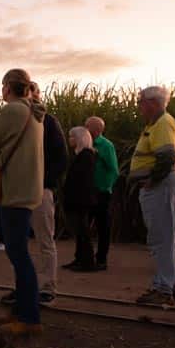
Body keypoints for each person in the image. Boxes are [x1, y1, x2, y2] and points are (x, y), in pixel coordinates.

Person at [0, 69, 46, 336]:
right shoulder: (36, 113)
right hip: (28, 189)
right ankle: (21, 311)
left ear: (7, 87)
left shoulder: (13, 111)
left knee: (19, 255)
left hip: (14, 190)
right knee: (19, 254)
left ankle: (29, 318)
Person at [129, 86, 175, 306]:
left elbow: (167, 155)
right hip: (162, 184)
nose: (139, 106)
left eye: (140, 101)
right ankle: (171, 286)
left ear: (152, 102)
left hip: (160, 185)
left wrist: (153, 179)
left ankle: (164, 288)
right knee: (166, 237)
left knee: (161, 238)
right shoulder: (158, 123)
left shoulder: (162, 123)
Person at [29, 81, 68, 302]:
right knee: (19, 242)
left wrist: (44, 182)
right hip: (18, 190)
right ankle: (25, 285)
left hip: (40, 189)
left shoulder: (49, 122)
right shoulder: (17, 122)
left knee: (45, 239)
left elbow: (61, 158)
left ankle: (47, 287)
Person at [84, 116, 118, 268]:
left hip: (101, 191)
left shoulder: (106, 145)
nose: (85, 129)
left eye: (88, 126)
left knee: (102, 226)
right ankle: (84, 257)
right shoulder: (85, 143)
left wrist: (105, 187)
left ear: (97, 129)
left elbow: (113, 169)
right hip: (88, 190)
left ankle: (101, 259)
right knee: (83, 224)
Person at [64, 127, 98, 270]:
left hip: (81, 199)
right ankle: (80, 258)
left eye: (72, 137)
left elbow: (83, 180)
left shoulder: (86, 156)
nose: (69, 139)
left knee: (83, 230)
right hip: (78, 198)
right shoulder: (82, 155)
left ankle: (87, 261)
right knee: (79, 230)